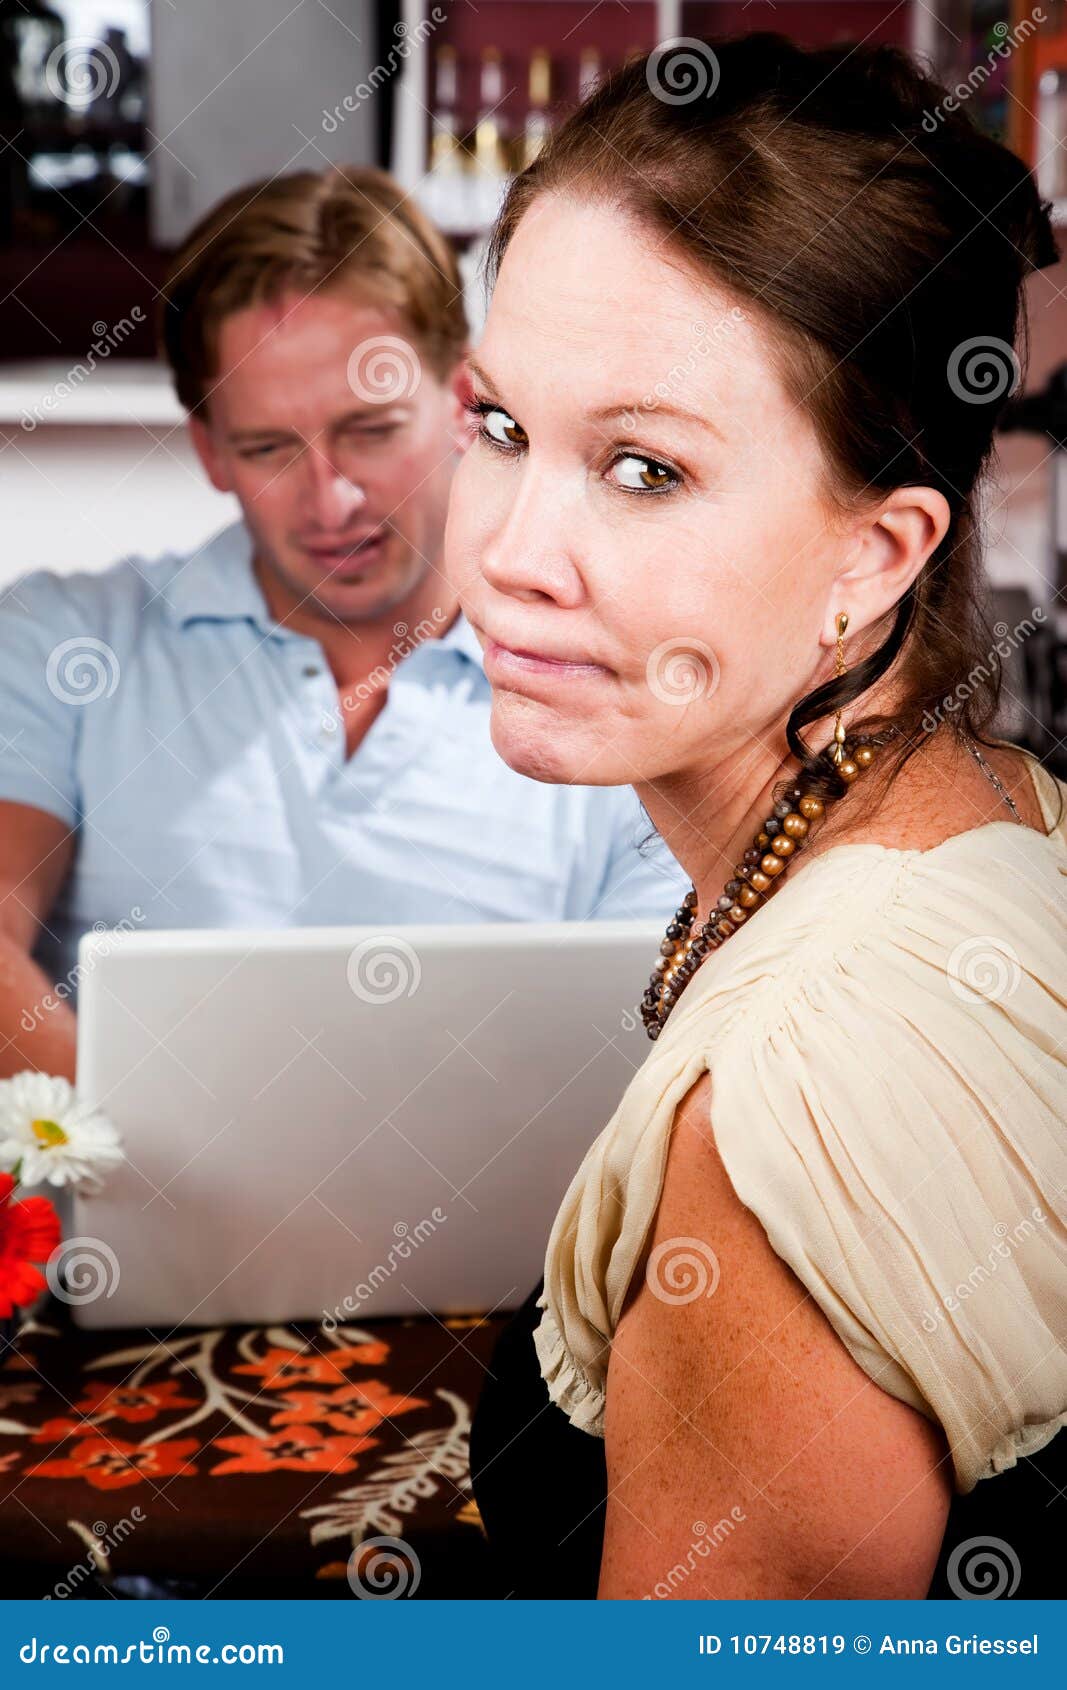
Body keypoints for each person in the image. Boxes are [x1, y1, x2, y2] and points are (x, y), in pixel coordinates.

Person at [453, 35, 1067, 1599]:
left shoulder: (777, 1124)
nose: (515, 551)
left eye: (643, 468)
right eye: (503, 430)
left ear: (875, 551)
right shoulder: (1007, 813)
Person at [0, 165, 684, 1084]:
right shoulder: (63, 642)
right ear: (209, 452)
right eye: (268, 448)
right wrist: (152, 1158)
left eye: (369, 430)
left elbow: (654, 1057)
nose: (333, 500)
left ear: (463, 405)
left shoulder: (615, 689)